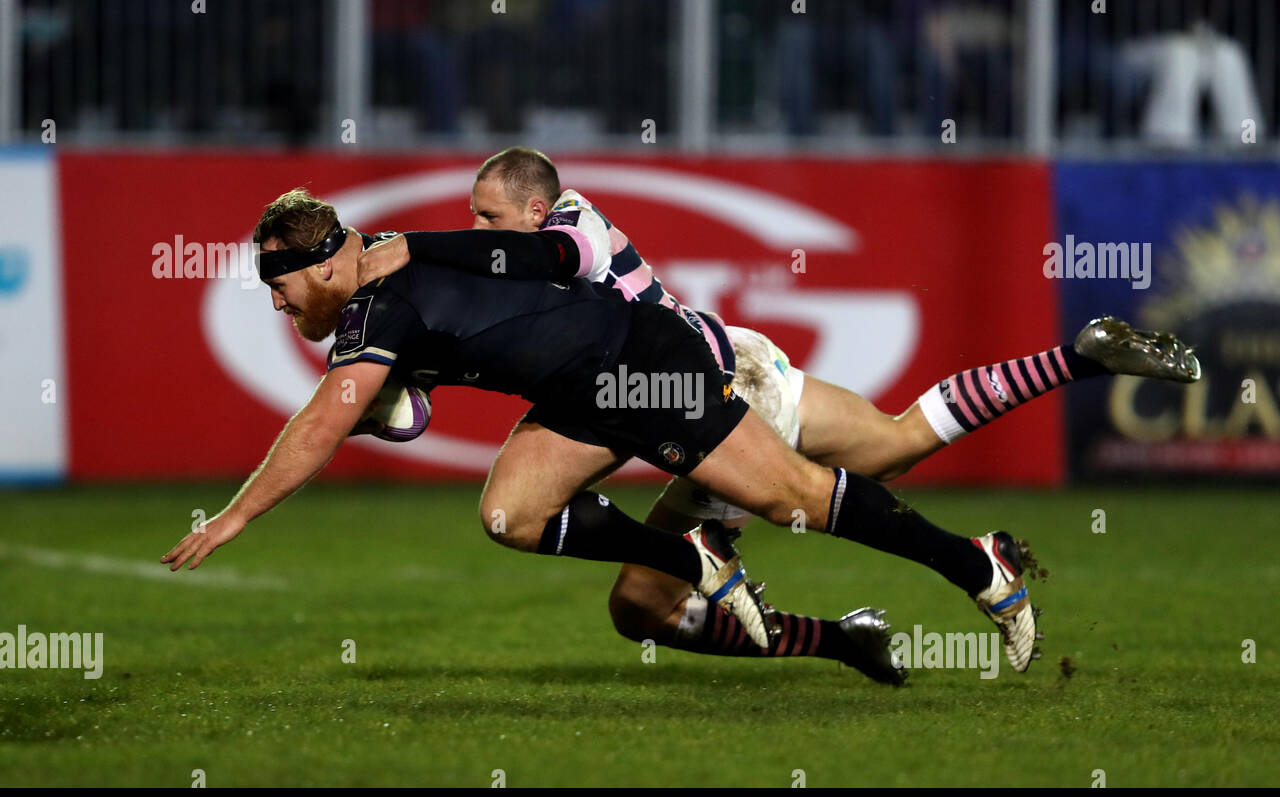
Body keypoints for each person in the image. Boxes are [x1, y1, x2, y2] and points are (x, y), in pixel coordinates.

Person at [161, 186, 1066, 686]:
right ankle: (696, 560)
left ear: (324, 266)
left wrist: (237, 517)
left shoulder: (375, 298)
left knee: (795, 496)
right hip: (577, 389)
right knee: (510, 514)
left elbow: (327, 415)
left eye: (280, 287)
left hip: (642, 360)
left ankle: (979, 567)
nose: (277, 305)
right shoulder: (382, 274)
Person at [351, 148, 1202, 679]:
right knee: (898, 441)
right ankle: (1077, 358)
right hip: (724, 355)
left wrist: (419, 249)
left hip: (685, 389)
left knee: (645, 598)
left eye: (487, 215)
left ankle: (938, 584)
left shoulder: (572, 229)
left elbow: (551, 260)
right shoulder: (526, 256)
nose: (477, 228)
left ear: (534, 210)